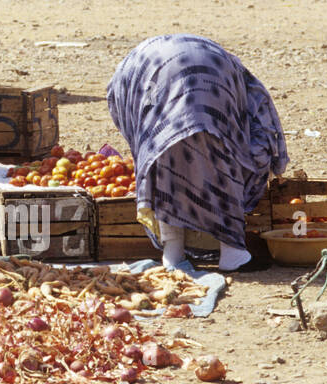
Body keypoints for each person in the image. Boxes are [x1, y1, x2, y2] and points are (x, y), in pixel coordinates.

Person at [107, 34, 289, 271]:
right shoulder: (237, 75)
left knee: (164, 164)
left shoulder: (126, 75)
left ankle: (173, 254)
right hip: (208, 86)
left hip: (154, 81)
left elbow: (128, 117)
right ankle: (232, 253)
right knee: (221, 163)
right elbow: (256, 119)